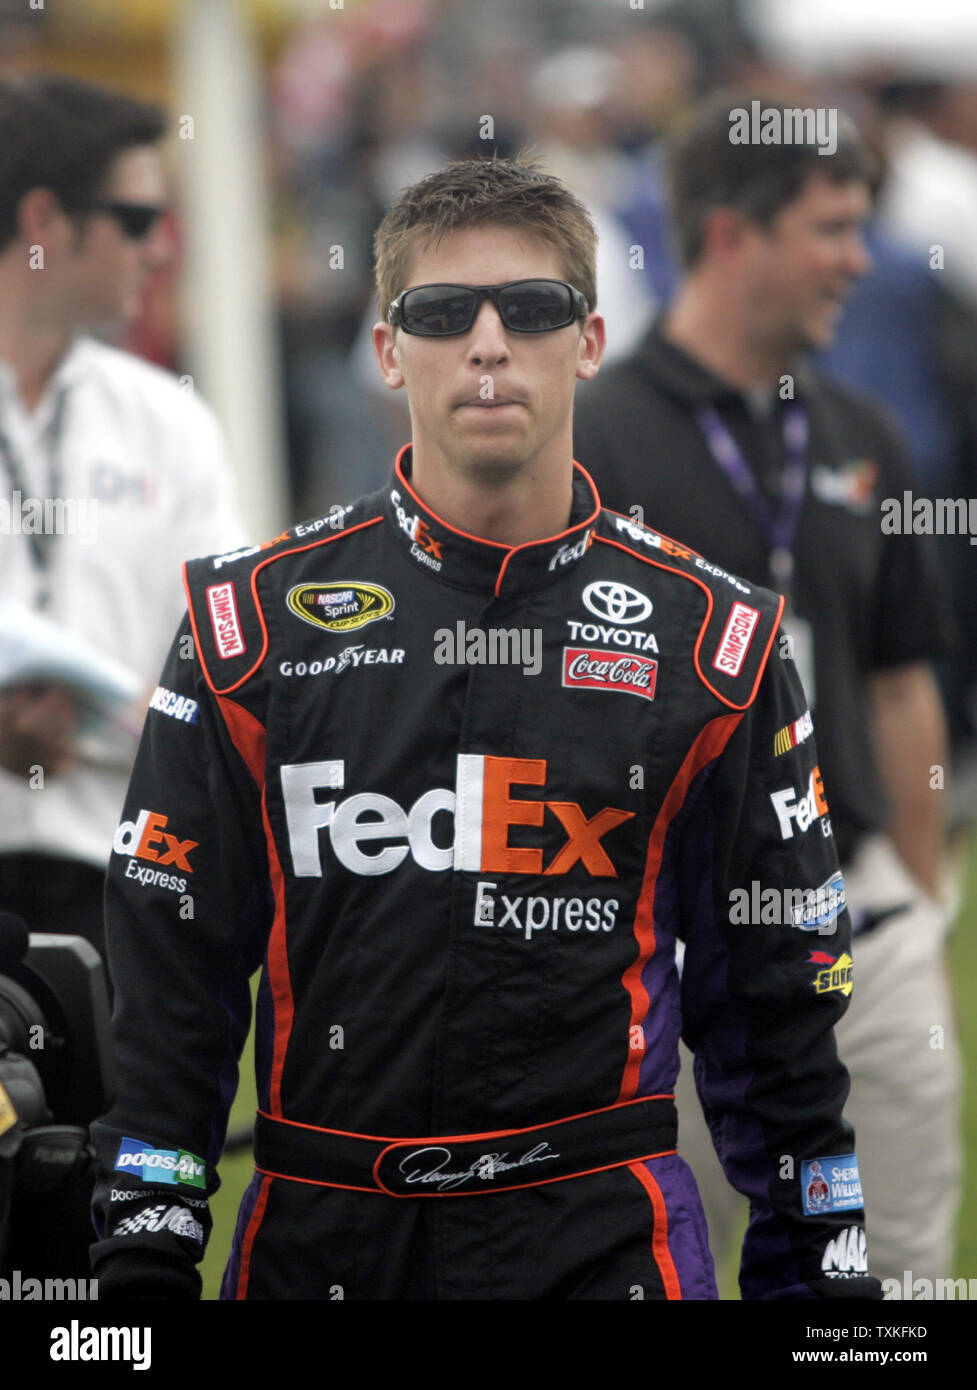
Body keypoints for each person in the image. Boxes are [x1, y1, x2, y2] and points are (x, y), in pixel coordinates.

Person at [91, 156, 879, 1301]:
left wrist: (825, 1276)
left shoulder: (714, 638)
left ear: (592, 339)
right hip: (325, 1237)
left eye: (534, 308)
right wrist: (141, 1263)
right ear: (385, 349)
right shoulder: (246, 626)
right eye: (443, 313)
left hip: (603, 1237)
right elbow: (171, 992)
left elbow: (777, 1013)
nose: (490, 343)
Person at [574, 95, 962, 1290]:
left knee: (886, 1287)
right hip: (663, 956)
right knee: (650, 1271)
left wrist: (914, 898)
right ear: (733, 234)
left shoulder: (862, 432)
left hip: (862, 929)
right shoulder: (590, 440)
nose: (858, 259)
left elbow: (900, 678)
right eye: (831, 228)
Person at [0, 72, 245, 1276]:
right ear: (48, 223)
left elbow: (221, 690)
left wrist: (80, 731)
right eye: (141, 218)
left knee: (92, 1246)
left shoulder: (171, 425)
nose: (166, 247)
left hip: (122, 896)